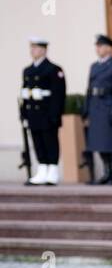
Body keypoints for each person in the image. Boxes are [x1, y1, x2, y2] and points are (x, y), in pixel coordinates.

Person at [20, 36, 66, 186]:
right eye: (31, 48)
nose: (33, 51)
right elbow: (24, 93)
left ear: (44, 50)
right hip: (33, 113)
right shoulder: (28, 70)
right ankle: (42, 169)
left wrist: (55, 115)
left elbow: (59, 94)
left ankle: (52, 170)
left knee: (50, 141)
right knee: (37, 142)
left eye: (36, 48)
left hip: (47, 113)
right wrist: (23, 113)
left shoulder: (53, 69)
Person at [84, 34, 112, 185]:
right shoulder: (94, 66)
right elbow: (89, 89)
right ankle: (106, 172)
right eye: (97, 46)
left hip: (109, 108)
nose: (98, 49)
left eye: (101, 46)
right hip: (96, 108)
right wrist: (86, 109)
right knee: (100, 143)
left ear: (109, 48)